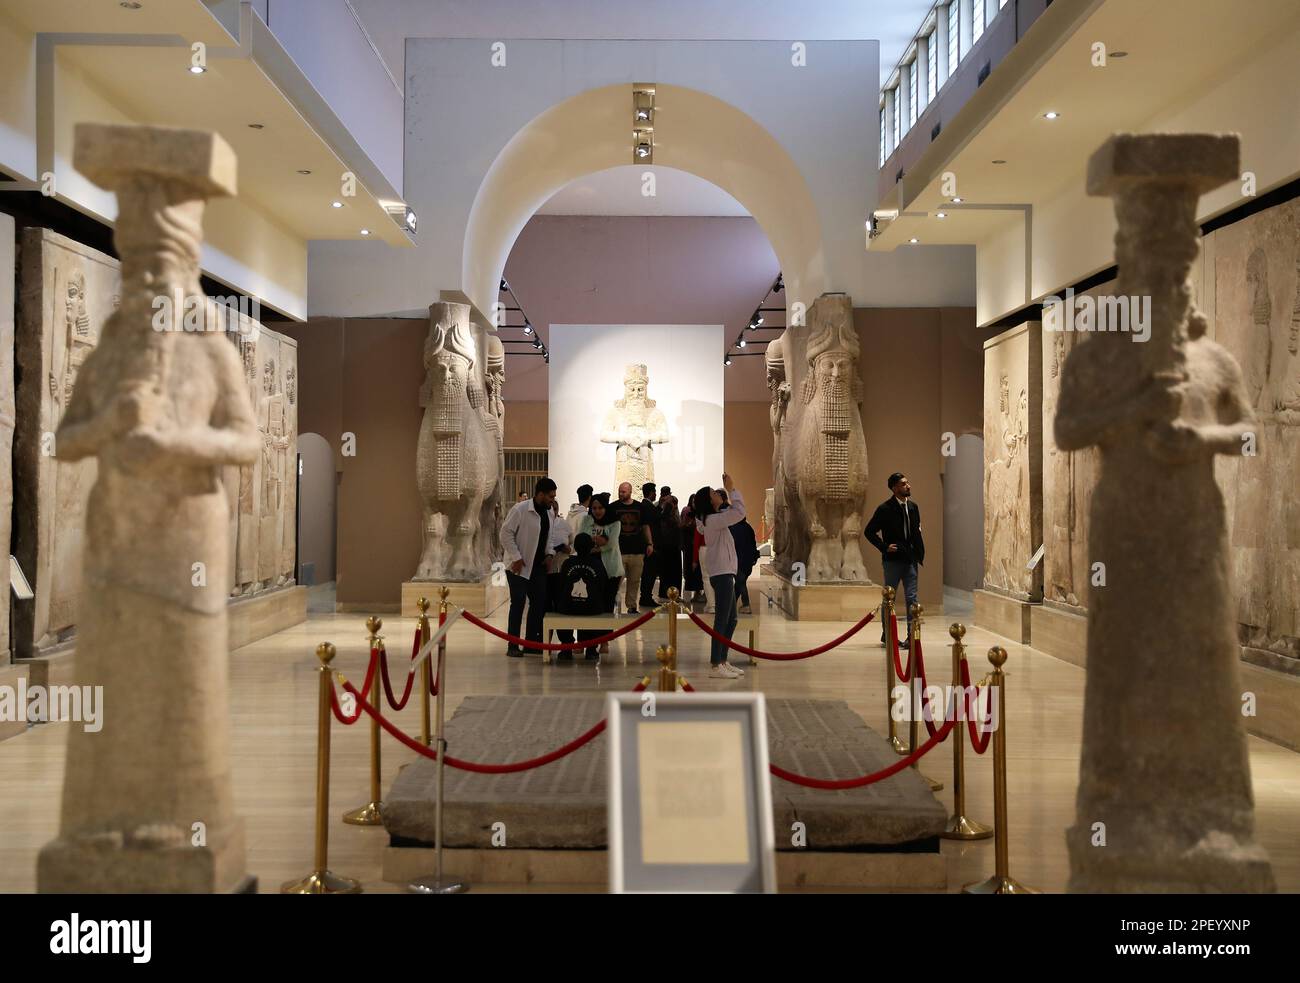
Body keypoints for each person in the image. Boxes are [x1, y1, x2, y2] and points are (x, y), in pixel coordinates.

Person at [500, 478, 569, 657]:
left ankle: (531, 643)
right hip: (518, 567)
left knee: (539, 604)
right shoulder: (520, 509)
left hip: (537, 567)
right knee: (519, 603)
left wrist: (549, 555)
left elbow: (549, 537)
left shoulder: (549, 514)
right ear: (540, 494)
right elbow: (505, 534)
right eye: (550, 496)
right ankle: (513, 645)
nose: (553, 500)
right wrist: (516, 557)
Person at [694, 474, 747, 679]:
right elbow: (740, 512)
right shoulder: (713, 520)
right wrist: (732, 490)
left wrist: (725, 498)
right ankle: (716, 664)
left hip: (725, 572)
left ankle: (723, 660)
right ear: (709, 501)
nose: (717, 493)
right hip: (721, 573)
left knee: (731, 619)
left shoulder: (713, 518)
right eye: (714, 493)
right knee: (722, 619)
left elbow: (732, 512)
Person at [864, 472, 925, 647]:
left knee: (912, 598)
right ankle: (888, 636)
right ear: (895, 488)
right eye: (904, 484)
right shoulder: (885, 509)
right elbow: (869, 531)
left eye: (908, 482)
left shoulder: (913, 507)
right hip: (893, 561)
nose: (908, 486)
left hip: (910, 560)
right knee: (889, 599)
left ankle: (912, 636)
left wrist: (918, 553)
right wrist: (884, 547)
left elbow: (916, 532)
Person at [578, 494, 623, 655]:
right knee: (586, 604)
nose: (597, 511)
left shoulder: (615, 521)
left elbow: (611, 543)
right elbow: (581, 539)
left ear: (606, 507)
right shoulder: (586, 520)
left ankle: (604, 641)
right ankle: (583, 641)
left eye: (600, 508)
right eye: (594, 508)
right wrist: (599, 540)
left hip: (609, 570)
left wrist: (594, 544)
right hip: (590, 568)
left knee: (606, 605)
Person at [555, 533, 606, 662]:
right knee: (594, 607)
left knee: (561, 606)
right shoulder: (597, 564)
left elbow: (560, 585)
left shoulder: (567, 563)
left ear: (575, 547)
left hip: (569, 607)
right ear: (591, 547)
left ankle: (566, 647)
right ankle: (591, 649)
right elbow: (603, 586)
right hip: (591, 607)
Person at [608, 481, 656, 614]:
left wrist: (650, 543)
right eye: (619, 491)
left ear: (630, 492)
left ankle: (631, 606)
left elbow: (646, 526)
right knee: (615, 581)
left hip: (637, 550)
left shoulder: (640, 507)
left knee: (634, 581)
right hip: (619, 551)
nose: (621, 494)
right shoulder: (613, 507)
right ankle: (610, 603)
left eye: (623, 491)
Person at [638, 482, 663, 607]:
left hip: (649, 545)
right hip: (651, 546)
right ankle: (646, 597)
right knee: (649, 572)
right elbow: (656, 520)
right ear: (652, 492)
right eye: (655, 492)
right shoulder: (648, 507)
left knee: (649, 572)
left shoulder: (645, 506)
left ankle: (646, 596)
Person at [730, 509, 759, 613]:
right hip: (748, 560)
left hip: (738, 560)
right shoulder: (748, 527)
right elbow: (753, 543)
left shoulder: (733, 529)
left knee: (740, 582)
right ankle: (732, 605)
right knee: (739, 583)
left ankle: (746, 604)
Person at [655, 495, 683, 600]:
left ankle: (674, 593)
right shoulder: (665, 514)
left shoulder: (674, 515)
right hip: (667, 546)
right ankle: (666, 592)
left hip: (674, 546)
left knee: (674, 572)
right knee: (667, 572)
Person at [679, 498, 702, 603]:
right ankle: (691, 594)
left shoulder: (701, 515)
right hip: (689, 546)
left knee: (699, 571)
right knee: (690, 570)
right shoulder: (688, 513)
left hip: (699, 546)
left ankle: (699, 593)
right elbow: (682, 526)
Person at [564, 484, 594, 549]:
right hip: (579, 552)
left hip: (569, 550)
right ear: (590, 497)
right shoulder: (585, 516)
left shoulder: (570, 513)